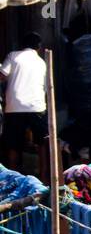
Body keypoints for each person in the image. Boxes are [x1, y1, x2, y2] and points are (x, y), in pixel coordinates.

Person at [0, 34, 48, 170]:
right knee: (42, 143)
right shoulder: (41, 62)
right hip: (36, 106)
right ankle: (44, 177)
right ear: (38, 47)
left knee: (14, 144)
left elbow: (2, 76)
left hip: (14, 107)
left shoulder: (13, 56)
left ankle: (13, 176)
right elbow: (45, 88)